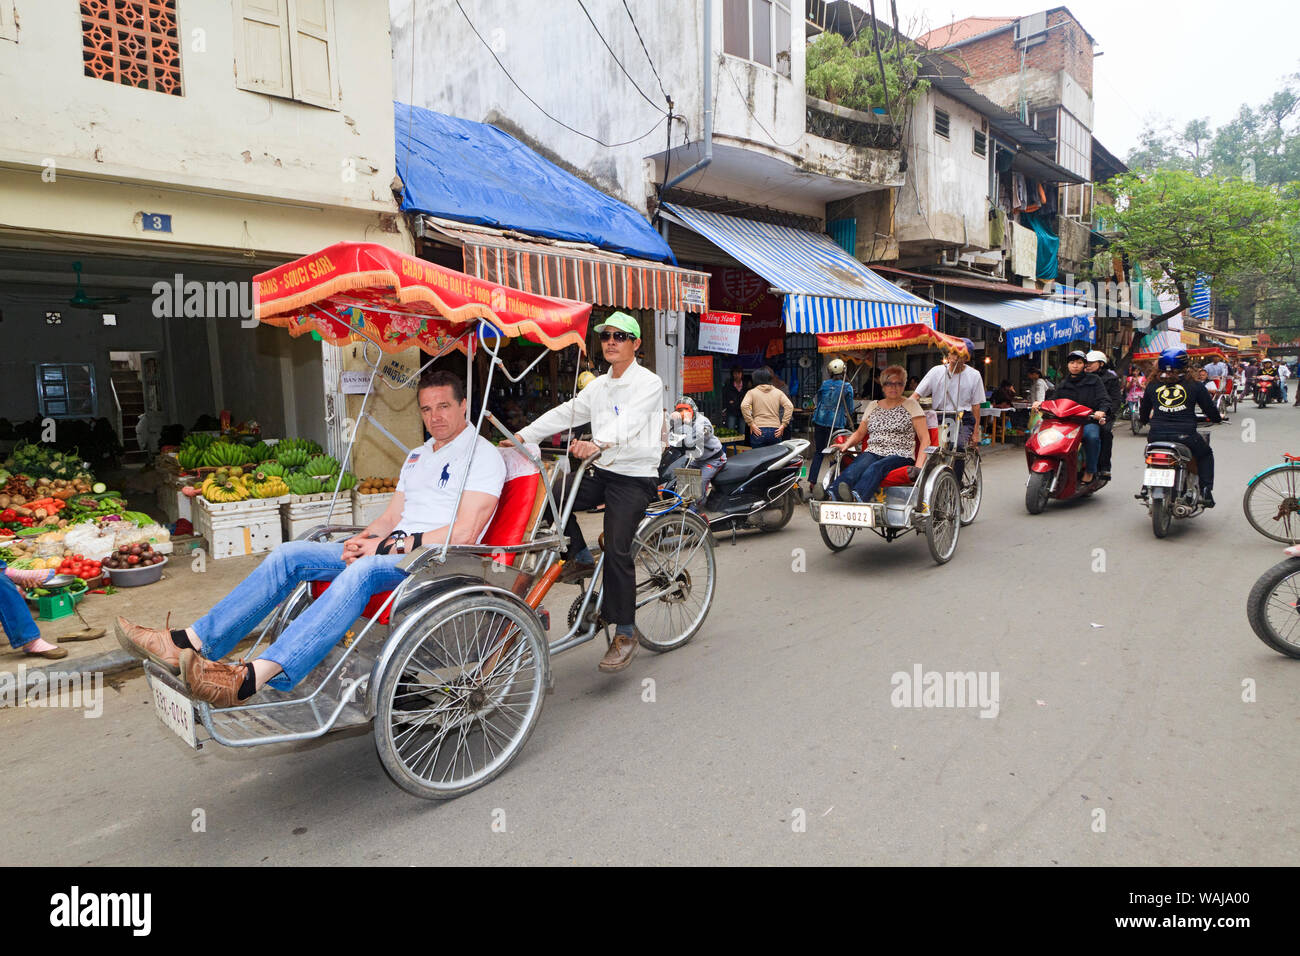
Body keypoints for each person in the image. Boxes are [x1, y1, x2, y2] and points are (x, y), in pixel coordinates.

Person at [116, 370, 506, 706]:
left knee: (363, 570)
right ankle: (191, 641)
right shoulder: (418, 456)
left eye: (443, 407)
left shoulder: (482, 456)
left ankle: (253, 677)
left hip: (439, 561)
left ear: (463, 406)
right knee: (289, 554)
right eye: (426, 409)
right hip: (391, 549)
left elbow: (465, 532)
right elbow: (391, 516)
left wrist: (380, 548)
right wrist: (366, 538)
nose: (434, 417)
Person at [511, 311, 663, 673]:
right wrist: (523, 436)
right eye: (606, 335)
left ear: (636, 344)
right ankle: (579, 555)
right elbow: (567, 412)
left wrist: (598, 442)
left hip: (634, 475)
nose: (611, 341)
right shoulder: (597, 385)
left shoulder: (649, 382)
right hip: (601, 469)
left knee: (617, 546)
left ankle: (625, 632)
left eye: (620, 336)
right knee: (549, 495)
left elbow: (632, 421)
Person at [816, 365, 928, 503]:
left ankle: (857, 496)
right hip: (873, 451)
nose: (894, 387)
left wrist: (919, 466)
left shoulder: (912, 405)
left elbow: (925, 439)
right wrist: (847, 444)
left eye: (899, 383)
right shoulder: (873, 406)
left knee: (876, 467)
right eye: (889, 383)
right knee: (856, 466)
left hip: (900, 454)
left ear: (903, 385)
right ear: (883, 386)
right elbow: (860, 433)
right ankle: (831, 493)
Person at [1140, 347, 1222, 506]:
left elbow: (1144, 412)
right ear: (1186, 365)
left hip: (1156, 435)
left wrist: (1145, 421)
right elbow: (1210, 409)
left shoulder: (1152, 385)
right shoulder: (1195, 385)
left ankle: (1145, 487)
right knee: (1205, 454)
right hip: (1185, 436)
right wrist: (1217, 418)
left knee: (1152, 458)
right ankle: (1206, 491)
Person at [1034, 350, 1110, 485]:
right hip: (1066, 423)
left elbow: (1104, 399)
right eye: (1072, 362)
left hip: (1087, 421)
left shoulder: (1094, 380)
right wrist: (1040, 404)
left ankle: (1090, 471)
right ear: (1068, 365)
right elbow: (1053, 400)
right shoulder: (1064, 383)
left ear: (1084, 365)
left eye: (1079, 363)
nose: (1075, 365)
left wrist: (1101, 411)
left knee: (1092, 437)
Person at [912, 338, 983, 480]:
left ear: (967, 358)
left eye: (960, 354)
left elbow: (976, 406)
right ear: (948, 355)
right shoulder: (936, 372)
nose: (956, 358)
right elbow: (916, 396)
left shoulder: (974, 375)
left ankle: (955, 484)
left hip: (963, 417)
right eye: (953, 353)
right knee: (925, 446)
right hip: (937, 416)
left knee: (957, 446)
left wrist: (976, 433)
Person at [666, 396, 725, 504]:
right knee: (683, 482)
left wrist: (687, 424)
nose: (682, 413)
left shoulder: (702, 421)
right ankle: (684, 506)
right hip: (696, 459)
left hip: (713, 458)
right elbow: (674, 439)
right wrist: (674, 424)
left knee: (699, 483)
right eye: (679, 410)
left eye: (685, 410)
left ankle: (697, 509)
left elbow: (696, 439)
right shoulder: (680, 422)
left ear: (692, 410)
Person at [809, 358, 855, 486]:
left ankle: (812, 482)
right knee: (835, 453)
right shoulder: (847, 387)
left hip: (820, 422)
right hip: (836, 425)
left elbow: (818, 401)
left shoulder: (825, 384)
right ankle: (833, 483)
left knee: (819, 452)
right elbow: (850, 409)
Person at [1085, 350, 1122, 478]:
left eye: (1091, 363)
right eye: (1086, 363)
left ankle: (1104, 466)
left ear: (1101, 363)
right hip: (1082, 415)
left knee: (1105, 434)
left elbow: (1116, 399)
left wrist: (1106, 413)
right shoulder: (1080, 377)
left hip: (1103, 415)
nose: (1087, 366)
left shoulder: (1111, 378)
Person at [742, 366, 793, 449]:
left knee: (759, 459)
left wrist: (750, 423)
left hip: (758, 429)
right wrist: (784, 424)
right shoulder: (778, 392)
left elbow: (744, 406)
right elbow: (789, 406)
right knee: (774, 459)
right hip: (775, 430)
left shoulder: (751, 392)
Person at [722, 366, 747, 432]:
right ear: (732, 374)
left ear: (742, 374)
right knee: (731, 430)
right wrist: (728, 404)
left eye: (739, 373)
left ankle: (741, 442)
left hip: (743, 412)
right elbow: (725, 397)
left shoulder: (746, 385)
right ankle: (731, 443)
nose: (737, 375)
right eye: (735, 373)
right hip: (731, 411)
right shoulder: (728, 385)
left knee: (742, 431)